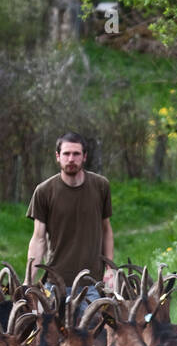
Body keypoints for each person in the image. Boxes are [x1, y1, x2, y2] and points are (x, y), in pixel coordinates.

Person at [25, 133, 115, 320]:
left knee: (92, 341)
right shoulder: (44, 191)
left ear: (84, 157)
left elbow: (106, 230)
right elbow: (38, 238)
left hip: (91, 284)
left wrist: (110, 270)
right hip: (55, 283)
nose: (71, 159)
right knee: (51, 341)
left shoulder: (100, 186)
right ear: (57, 156)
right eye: (66, 154)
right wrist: (29, 279)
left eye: (76, 154)